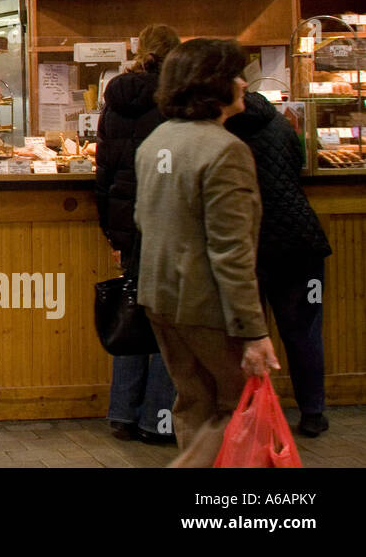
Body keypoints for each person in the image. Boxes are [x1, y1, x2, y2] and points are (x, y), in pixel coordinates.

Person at [134, 38, 280, 467]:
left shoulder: (158, 140)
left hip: (158, 295)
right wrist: (254, 331)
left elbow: (145, 220)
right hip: (207, 303)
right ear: (213, 85)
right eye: (236, 75)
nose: (243, 84)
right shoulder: (225, 151)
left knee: (194, 402)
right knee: (239, 408)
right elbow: (232, 250)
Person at [226, 91, 332, 437]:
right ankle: (313, 412)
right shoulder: (279, 121)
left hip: (250, 244)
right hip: (300, 241)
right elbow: (299, 162)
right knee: (303, 332)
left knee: (248, 337)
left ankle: (256, 415)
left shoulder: (223, 135)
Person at [94, 24, 180, 443]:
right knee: (166, 322)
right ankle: (158, 419)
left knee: (131, 311)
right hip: (167, 221)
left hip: (127, 221)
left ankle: (122, 413)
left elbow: (104, 169)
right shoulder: (177, 101)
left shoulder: (115, 97)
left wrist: (111, 228)